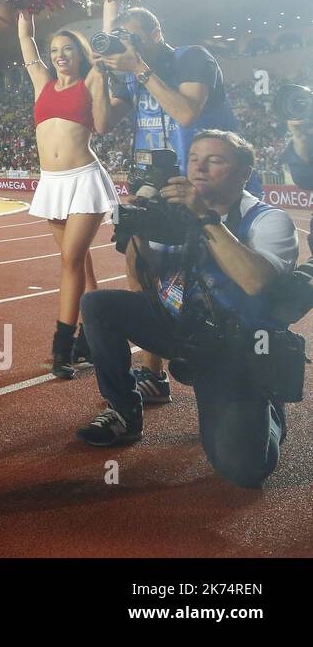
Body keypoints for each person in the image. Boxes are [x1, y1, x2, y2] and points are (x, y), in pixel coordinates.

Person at [75, 131, 299, 488]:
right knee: (98, 304)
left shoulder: (268, 220)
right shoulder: (172, 214)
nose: (200, 168)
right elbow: (144, 278)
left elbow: (255, 282)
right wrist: (138, 228)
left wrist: (205, 218)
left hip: (235, 347)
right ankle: (125, 412)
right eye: (194, 158)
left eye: (215, 160)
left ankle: (267, 406)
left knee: (243, 470)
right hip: (180, 324)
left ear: (244, 173)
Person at [96, 1, 257, 403]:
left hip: (208, 180)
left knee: (210, 273)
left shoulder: (192, 59)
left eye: (134, 37)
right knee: (139, 262)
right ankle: (153, 374)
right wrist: (99, 73)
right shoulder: (130, 75)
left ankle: (235, 367)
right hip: (155, 179)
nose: (127, 45)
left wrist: (138, 68)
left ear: (155, 33)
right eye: (123, 39)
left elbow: (186, 112)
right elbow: (101, 124)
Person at [18, 12, 118, 377]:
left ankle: (63, 349)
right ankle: (93, 338)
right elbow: (26, 43)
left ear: (81, 54)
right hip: (53, 183)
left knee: (70, 261)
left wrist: (109, 0)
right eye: (55, 50)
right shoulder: (41, 82)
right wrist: (24, 7)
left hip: (84, 180)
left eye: (68, 49)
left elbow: (107, 37)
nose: (60, 55)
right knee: (80, 264)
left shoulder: (92, 79)